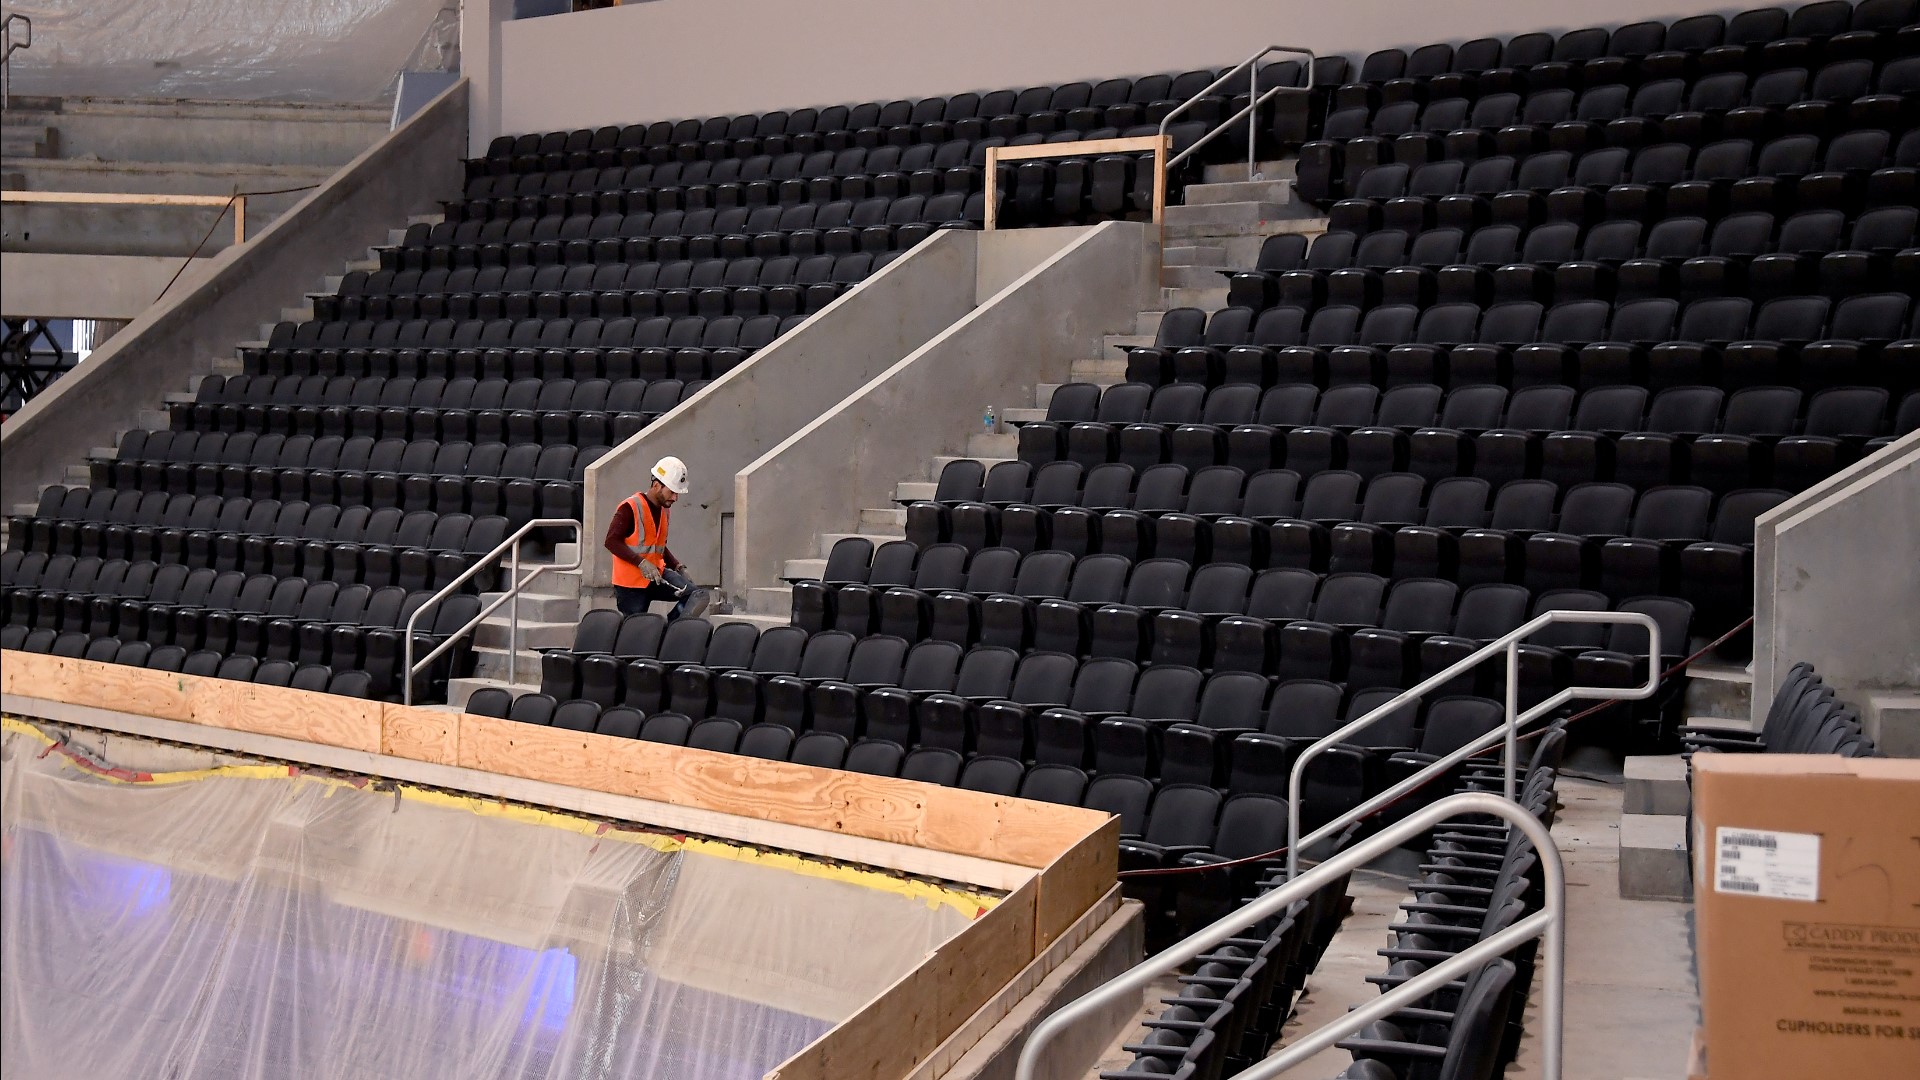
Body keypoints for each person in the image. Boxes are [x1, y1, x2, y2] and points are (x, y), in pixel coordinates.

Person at [605, 456, 695, 619]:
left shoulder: (664, 510)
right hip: (630, 584)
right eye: (672, 492)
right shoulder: (630, 507)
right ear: (656, 485)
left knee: (695, 595)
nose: (675, 498)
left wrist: (677, 566)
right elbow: (611, 541)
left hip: (656, 576)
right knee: (634, 631)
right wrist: (640, 563)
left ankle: (668, 631)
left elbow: (657, 546)